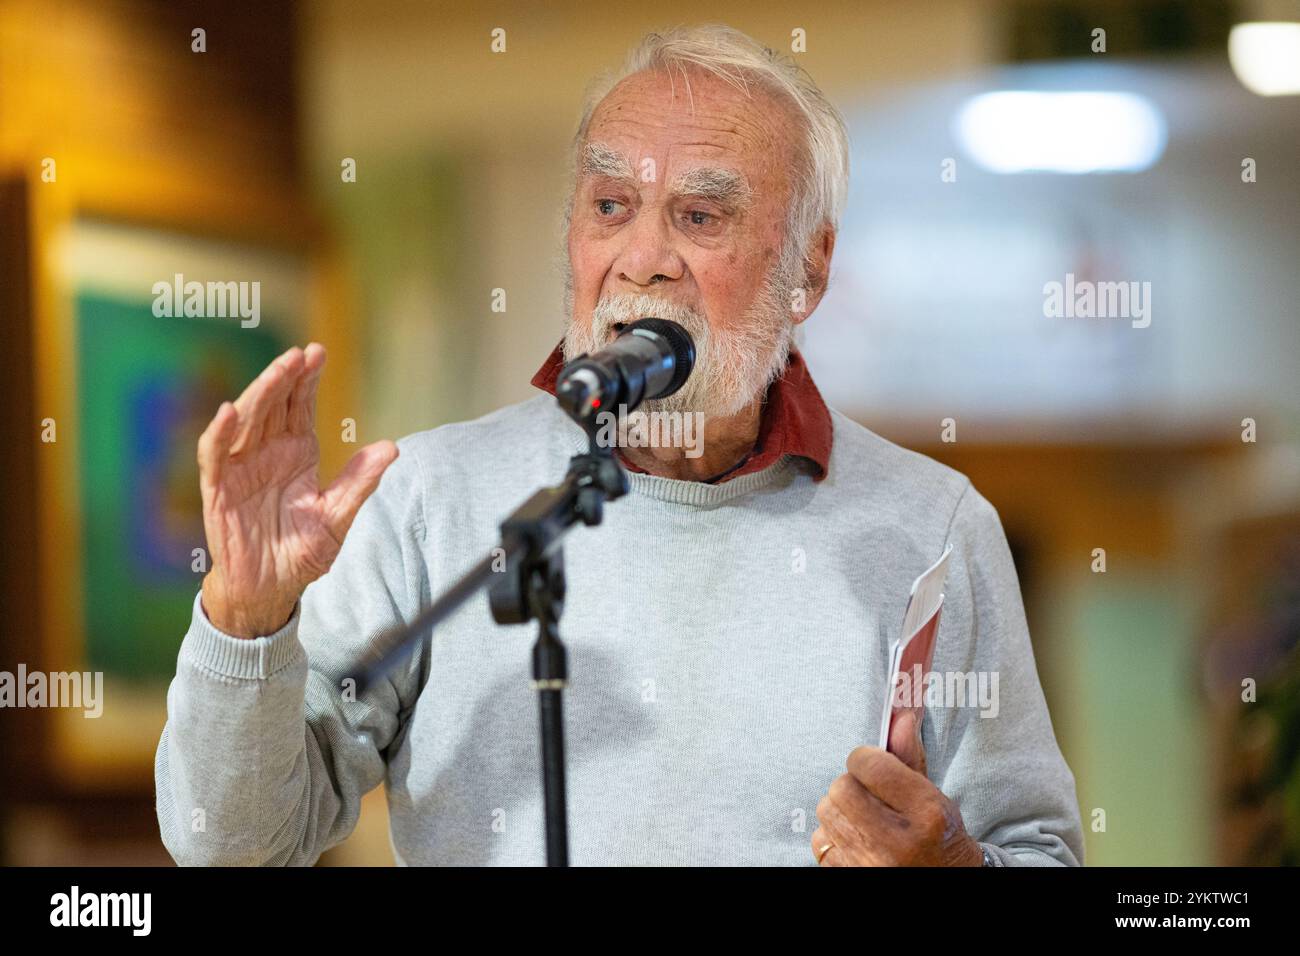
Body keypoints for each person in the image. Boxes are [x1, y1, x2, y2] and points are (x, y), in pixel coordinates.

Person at [155, 24, 1084, 866]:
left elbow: (1041, 852)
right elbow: (230, 848)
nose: (642, 260)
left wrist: (952, 867)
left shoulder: (934, 525)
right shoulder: (428, 499)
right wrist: (246, 621)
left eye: (700, 217)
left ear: (809, 268)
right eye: (609, 205)